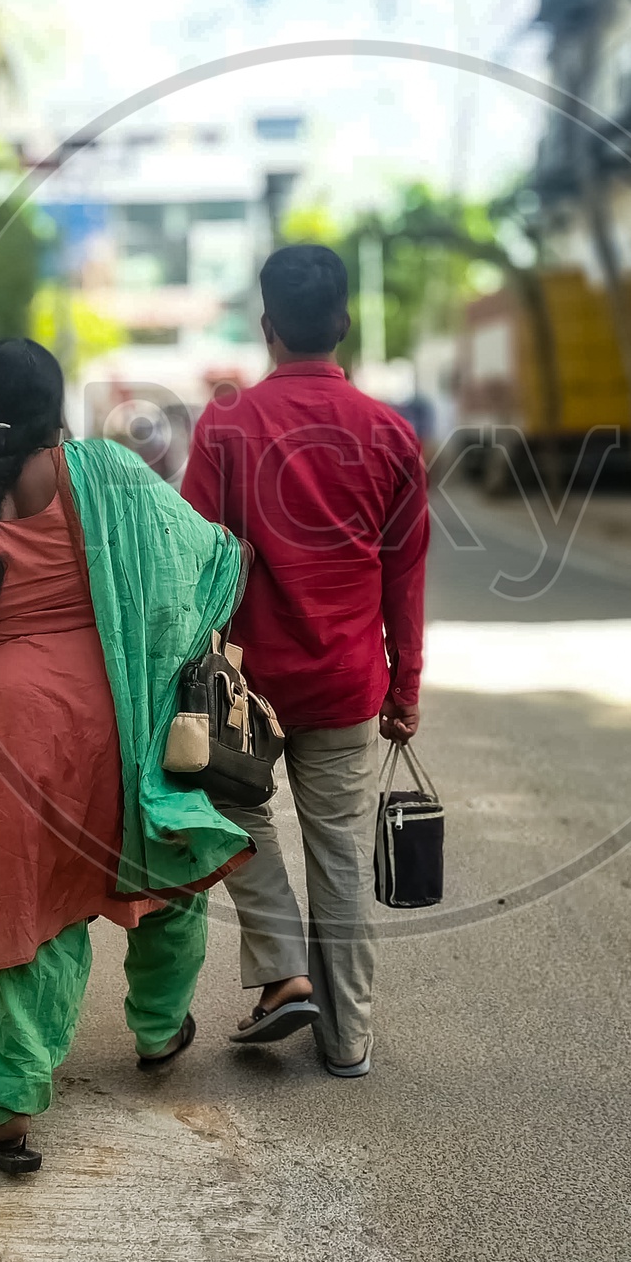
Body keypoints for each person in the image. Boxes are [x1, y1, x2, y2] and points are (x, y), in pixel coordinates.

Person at [0, 338, 251, 1174]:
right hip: (117, 716)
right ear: (54, 409)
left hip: (10, 733)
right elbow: (209, 557)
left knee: (22, 905)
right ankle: (161, 1031)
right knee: (160, 857)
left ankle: (11, 1110)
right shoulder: (107, 473)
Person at [181, 244, 430, 1077]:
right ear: (344, 323)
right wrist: (406, 686)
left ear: (267, 327)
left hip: (245, 687)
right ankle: (347, 1039)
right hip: (348, 683)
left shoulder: (224, 427)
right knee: (339, 855)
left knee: (231, 813)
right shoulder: (391, 435)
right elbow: (404, 577)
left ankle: (285, 974)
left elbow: (196, 563)